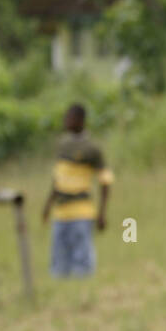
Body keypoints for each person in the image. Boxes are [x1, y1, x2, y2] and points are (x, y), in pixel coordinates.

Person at [41, 103, 112, 279]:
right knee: (59, 259)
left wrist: (102, 213)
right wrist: (48, 205)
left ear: (81, 120)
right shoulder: (62, 145)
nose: (66, 121)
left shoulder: (92, 149)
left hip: (82, 210)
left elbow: (105, 181)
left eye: (70, 118)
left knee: (82, 258)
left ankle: (84, 296)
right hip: (61, 212)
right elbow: (57, 179)